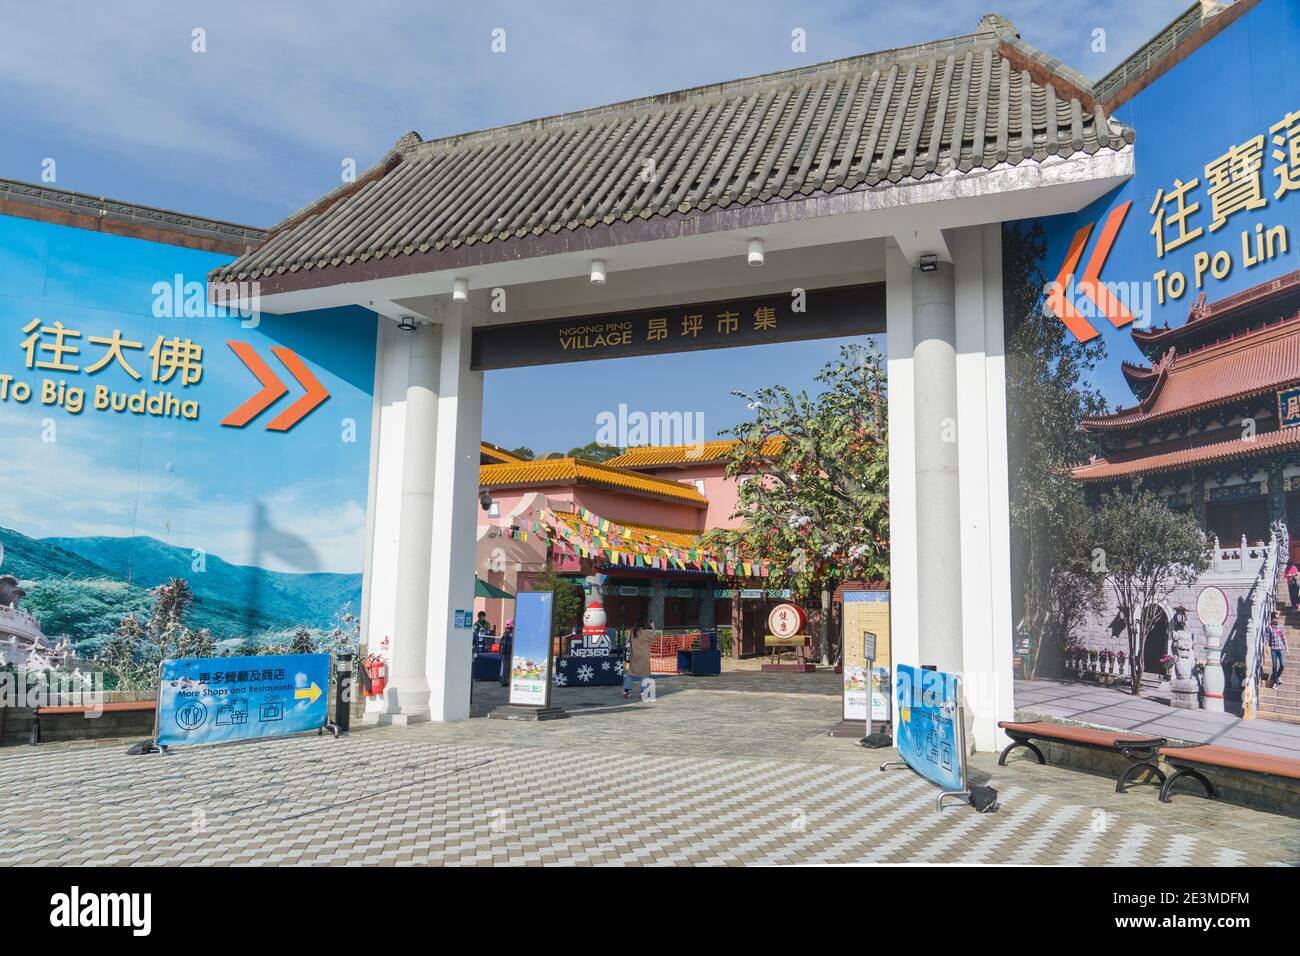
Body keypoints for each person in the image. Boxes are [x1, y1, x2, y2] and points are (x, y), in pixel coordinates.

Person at [623, 620, 654, 700]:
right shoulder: (646, 632)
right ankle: (643, 691)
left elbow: (627, 642)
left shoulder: (632, 632)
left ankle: (627, 691)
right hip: (644, 656)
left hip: (634, 655)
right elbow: (654, 636)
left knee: (631, 673)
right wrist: (653, 626)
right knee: (645, 674)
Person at [1266, 610, 1287, 688]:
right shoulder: (1269, 627)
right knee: (1274, 666)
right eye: (1275, 618)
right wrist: (1266, 648)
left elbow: (1283, 637)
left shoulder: (1280, 627)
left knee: (1282, 665)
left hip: (1281, 649)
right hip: (1274, 649)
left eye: (1278, 618)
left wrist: (1286, 647)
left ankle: (1277, 676)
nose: (1277, 620)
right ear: (1272, 619)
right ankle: (1275, 682)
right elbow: (1266, 638)